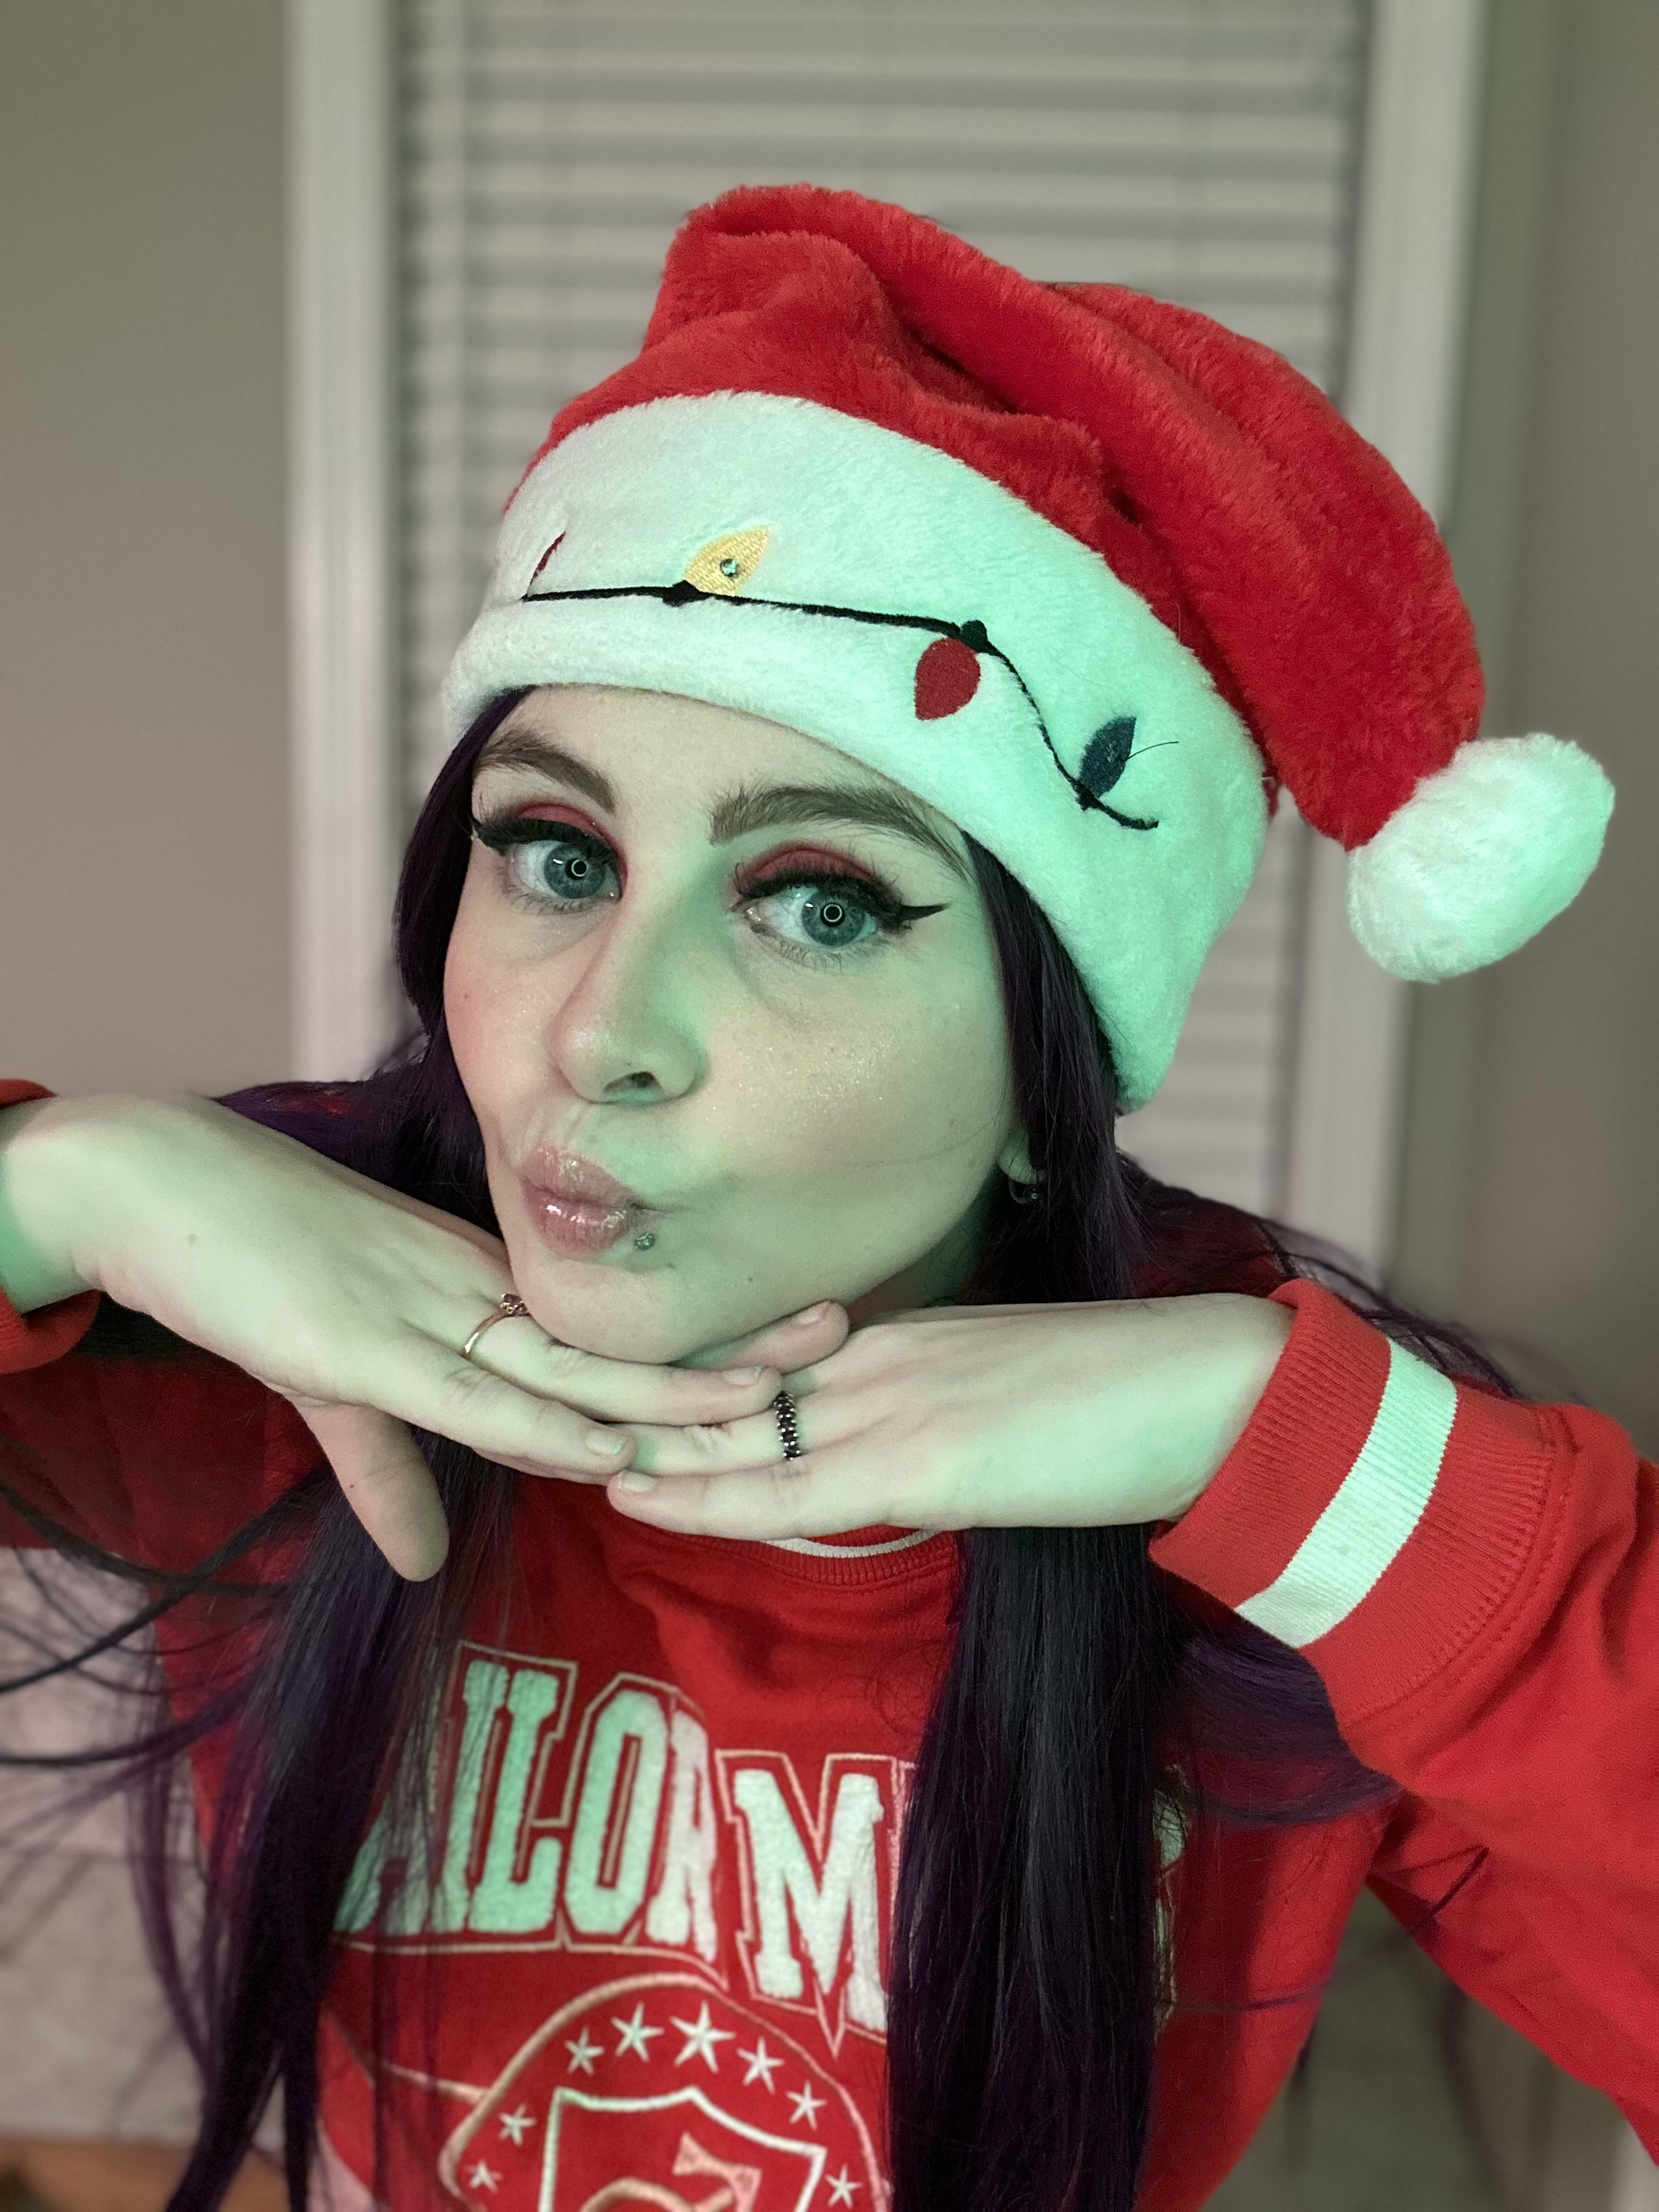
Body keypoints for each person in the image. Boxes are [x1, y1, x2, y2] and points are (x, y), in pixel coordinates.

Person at [0, 185, 1646, 2212]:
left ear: (1048, 1072)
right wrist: (50, 1192)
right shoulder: (263, 1349)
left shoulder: (1286, 1543)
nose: (601, 1034)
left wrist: (1280, 1444)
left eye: (820, 902)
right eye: (558, 857)